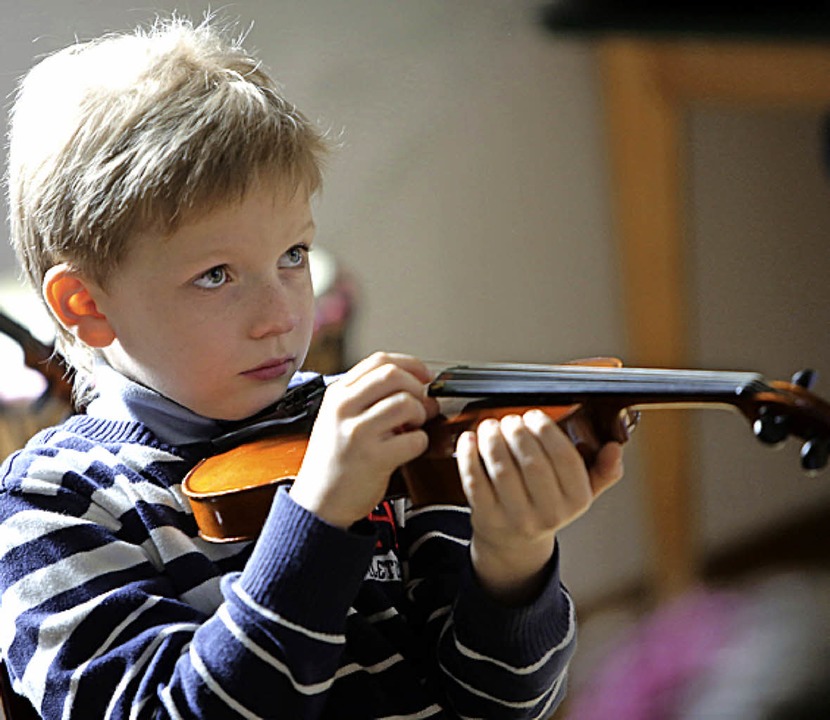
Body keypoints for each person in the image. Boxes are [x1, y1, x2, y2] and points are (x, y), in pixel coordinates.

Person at [0, 14, 623, 720]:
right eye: (216, 275)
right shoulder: (57, 507)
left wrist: (514, 559)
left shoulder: (372, 439)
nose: (282, 314)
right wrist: (318, 520)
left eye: (292, 256)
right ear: (86, 303)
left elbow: (500, 704)